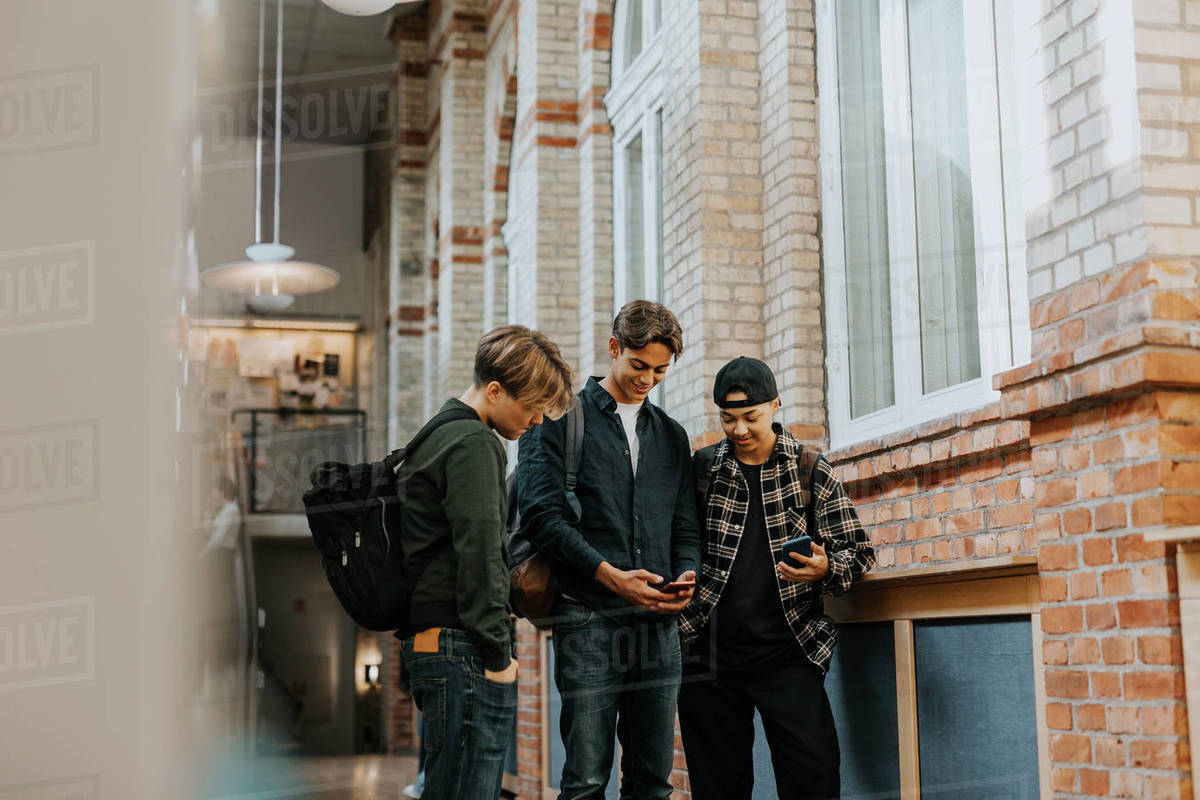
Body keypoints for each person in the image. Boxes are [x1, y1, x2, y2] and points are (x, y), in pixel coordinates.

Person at [517, 300, 702, 800]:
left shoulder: (670, 436)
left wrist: (688, 574)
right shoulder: (557, 420)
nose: (648, 380)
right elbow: (540, 518)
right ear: (614, 347)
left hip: (659, 627)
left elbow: (686, 526)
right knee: (585, 781)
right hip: (588, 620)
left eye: (661, 371)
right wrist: (608, 574)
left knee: (653, 782)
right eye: (639, 365)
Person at [678, 357, 875, 800]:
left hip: (790, 653)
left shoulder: (808, 469)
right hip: (707, 659)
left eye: (751, 417)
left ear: (775, 405)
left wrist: (828, 568)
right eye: (728, 419)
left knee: (813, 781)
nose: (739, 429)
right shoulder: (703, 470)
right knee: (718, 790)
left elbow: (860, 551)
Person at [398, 325, 574, 800]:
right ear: (495, 390)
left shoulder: (435, 433)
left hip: (435, 642)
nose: (537, 421)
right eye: (531, 407)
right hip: (464, 649)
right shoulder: (475, 444)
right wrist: (499, 656)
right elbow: (479, 554)